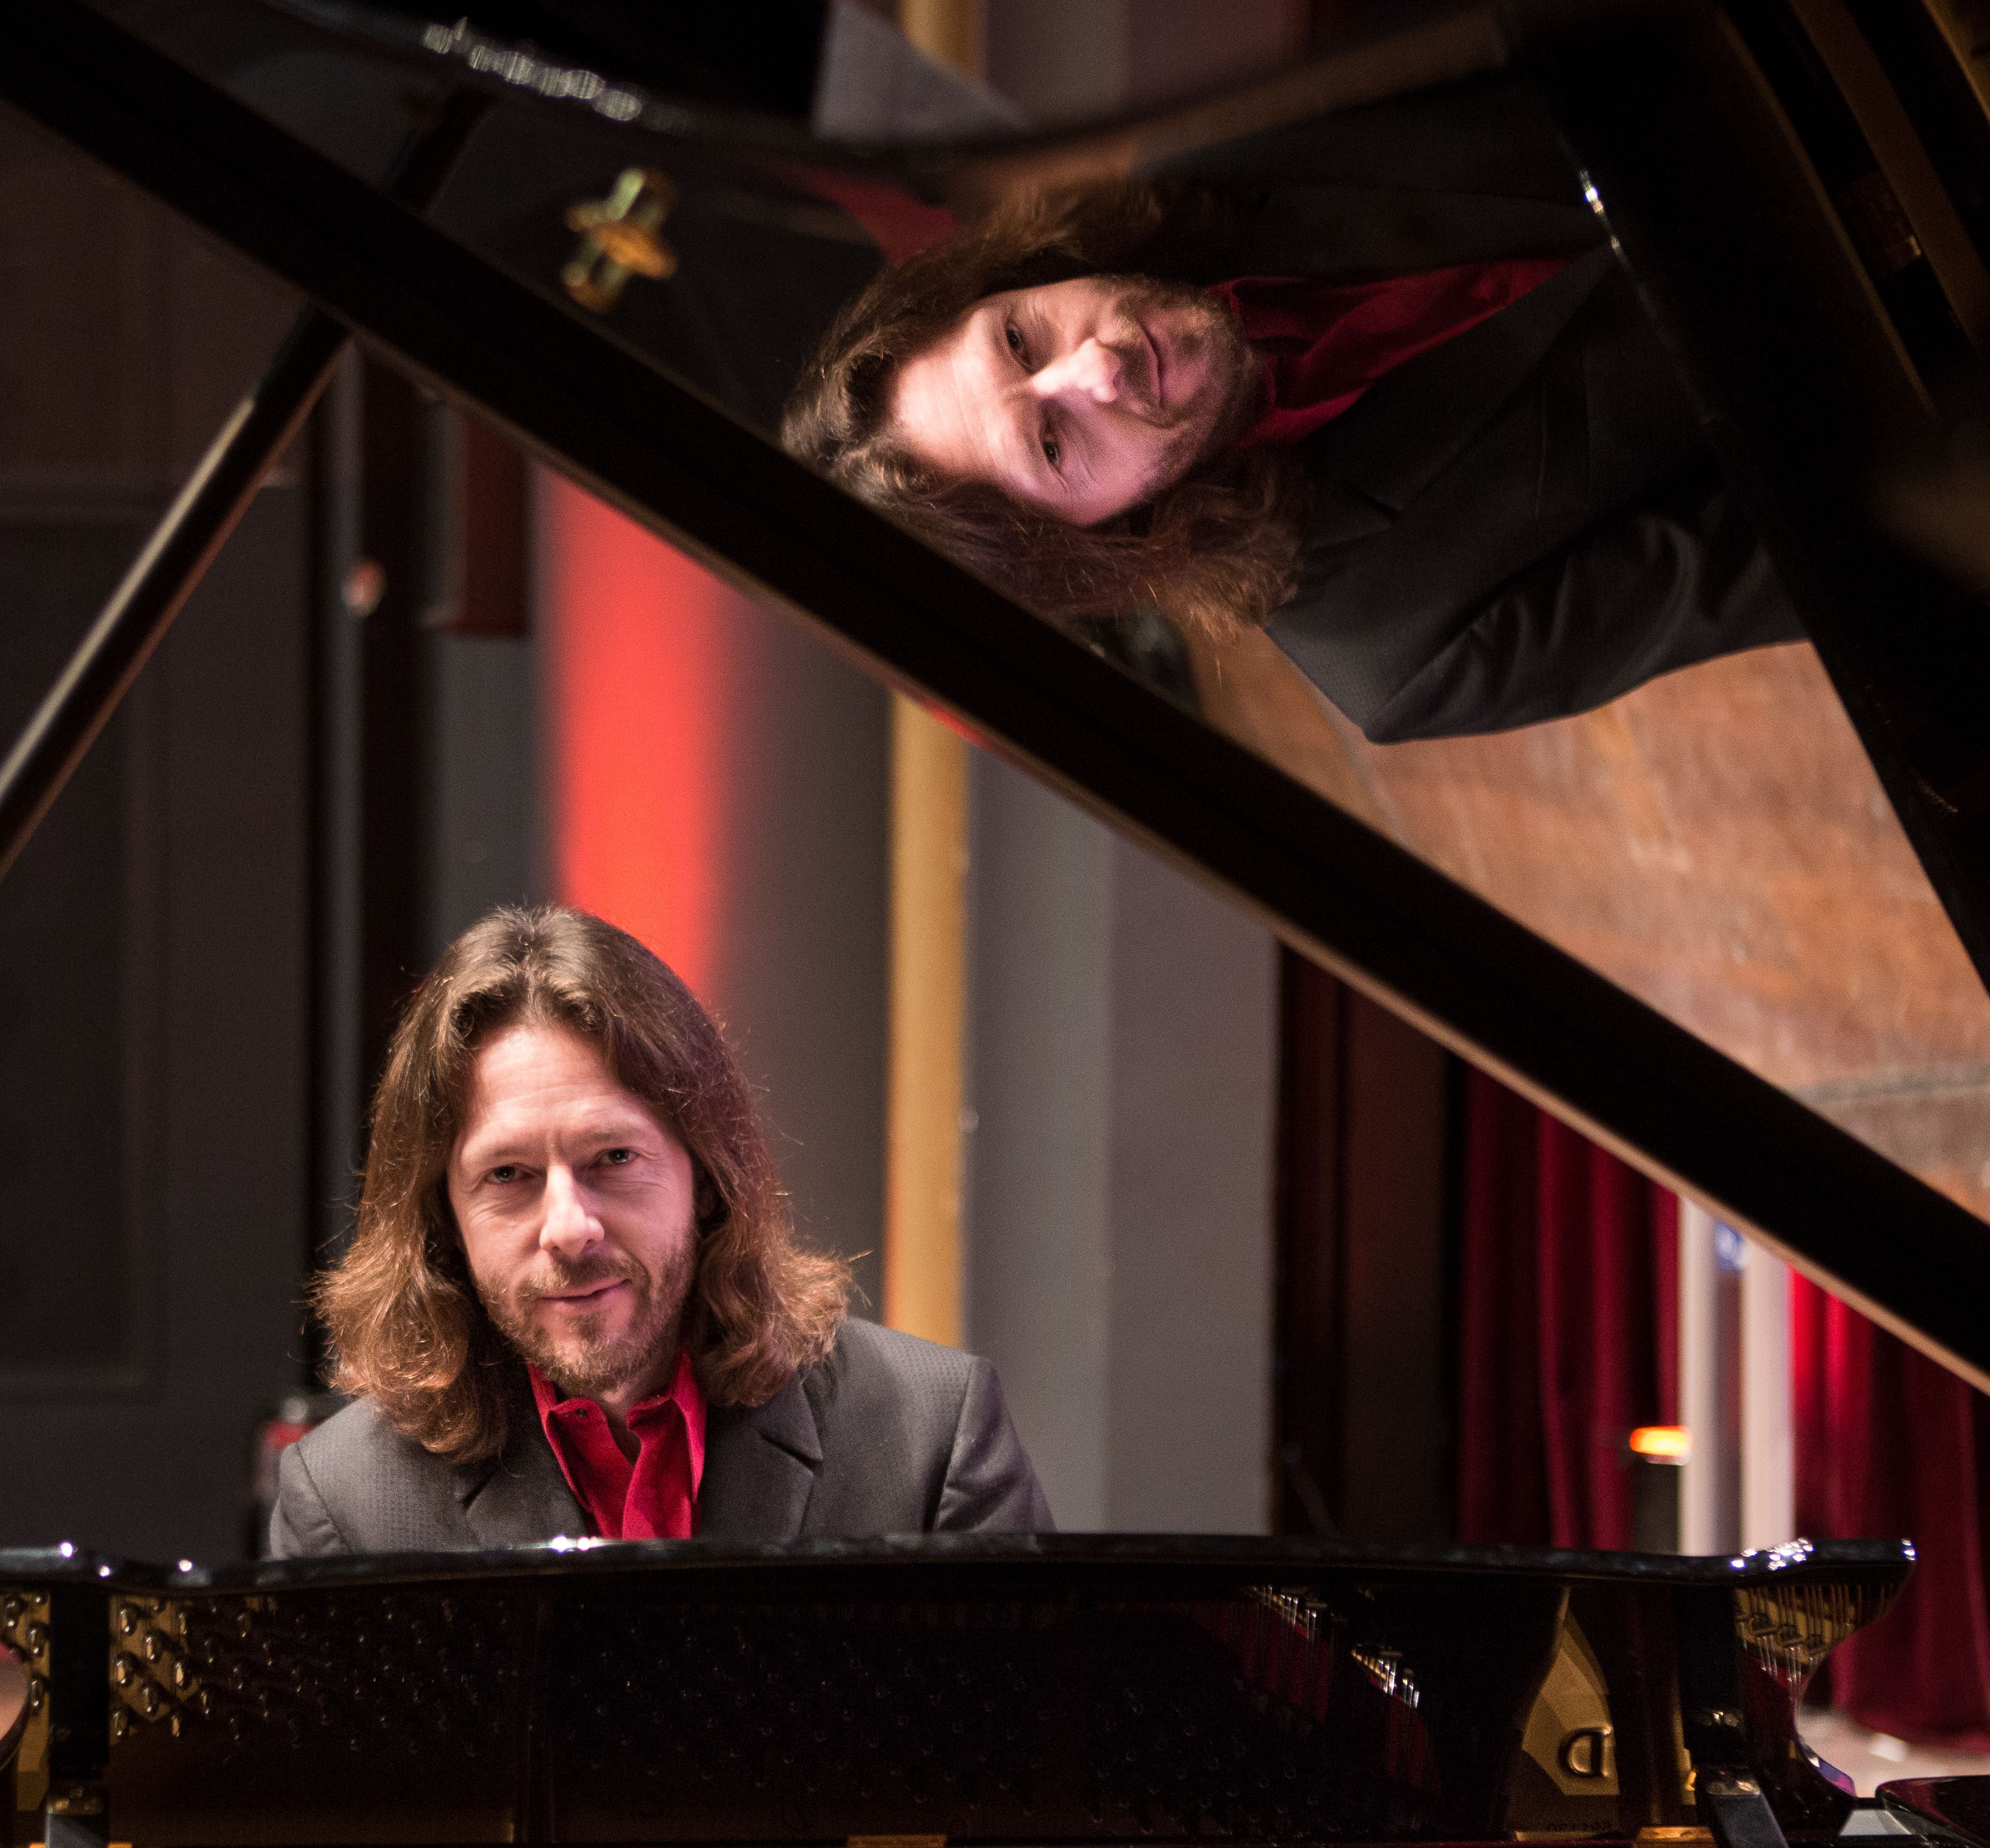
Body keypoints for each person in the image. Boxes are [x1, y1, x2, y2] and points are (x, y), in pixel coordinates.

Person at [781, 79, 1805, 743]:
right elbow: (1827, 550)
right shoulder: (1402, 652)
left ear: (1012, 279)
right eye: (1053, 443)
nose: (1094, 366)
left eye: (1019, 339)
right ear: (1095, 546)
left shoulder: (1221, 150)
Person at [269, 906, 1050, 1553]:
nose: (568, 1229)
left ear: (706, 1175)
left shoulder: (932, 1438)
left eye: (612, 1156)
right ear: (443, 1215)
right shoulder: (344, 1504)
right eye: (507, 1175)